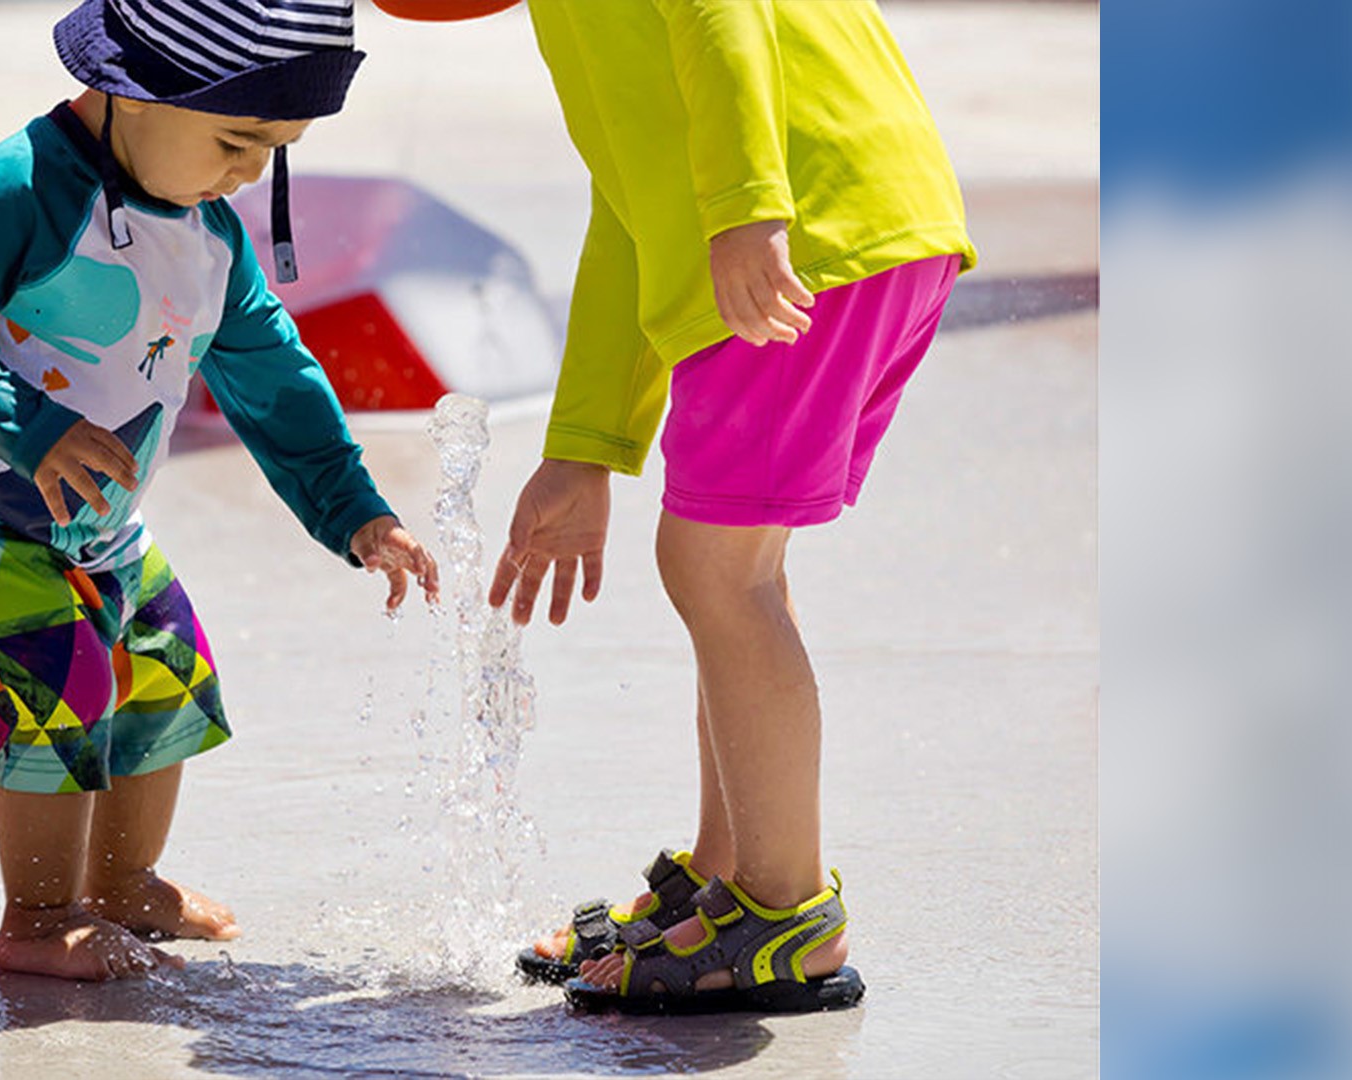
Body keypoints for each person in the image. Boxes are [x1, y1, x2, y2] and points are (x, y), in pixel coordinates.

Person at [372, 0, 975, 1012]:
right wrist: (586, 447)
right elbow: (632, 202)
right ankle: (730, 872)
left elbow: (721, 15)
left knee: (716, 570)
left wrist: (750, 206)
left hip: (803, 230)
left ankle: (784, 915)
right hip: (861, 221)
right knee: (739, 569)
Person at [0, 0, 439, 982]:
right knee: (68, 688)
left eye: (278, 147)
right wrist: (28, 424)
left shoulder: (211, 235)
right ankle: (40, 917)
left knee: (166, 669)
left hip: (94, 521)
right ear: (134, 92)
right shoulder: (24, 186)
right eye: (235, 138)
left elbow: (276, 381)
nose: (251, 170)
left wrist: (355, 511)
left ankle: (124, 880)